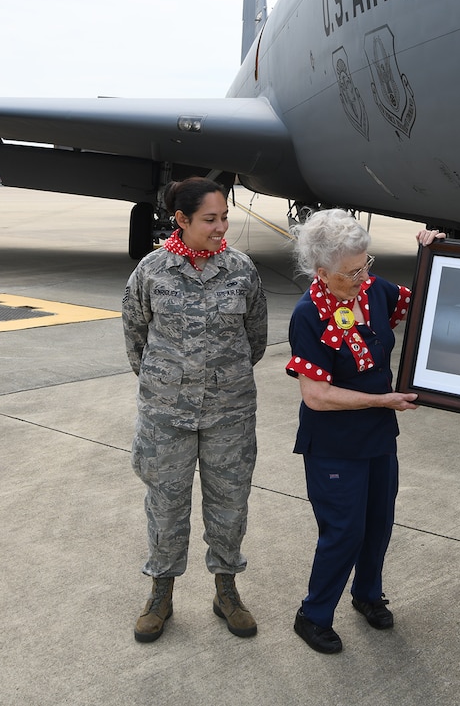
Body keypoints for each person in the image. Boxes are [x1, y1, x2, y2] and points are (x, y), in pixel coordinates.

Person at [285, 209, 439, 654]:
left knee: (378, 523)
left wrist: (434, 255)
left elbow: (424, 302)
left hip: (378, 435)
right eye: (351, 273)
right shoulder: (308, 315)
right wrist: (382, 400)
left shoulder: (372, 290)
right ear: (322, 272)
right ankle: (313, 614)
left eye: (365, 265)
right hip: (334, 443)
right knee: (344, 531)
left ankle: (368, 594)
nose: (363, 277)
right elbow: (316, 395)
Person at [122, 177, 268, 644]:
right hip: (166, 416)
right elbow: (136, 338)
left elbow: (256, 338)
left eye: (224, 217)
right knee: (165, 507)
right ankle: (160, 595)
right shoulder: (151, 270)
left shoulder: (241, 269)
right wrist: (169, 384)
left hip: (230, 413)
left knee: (230, 505)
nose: (221, 227)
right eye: (210, 219)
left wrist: (220, 380)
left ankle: (226, 591)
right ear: (181, 220)